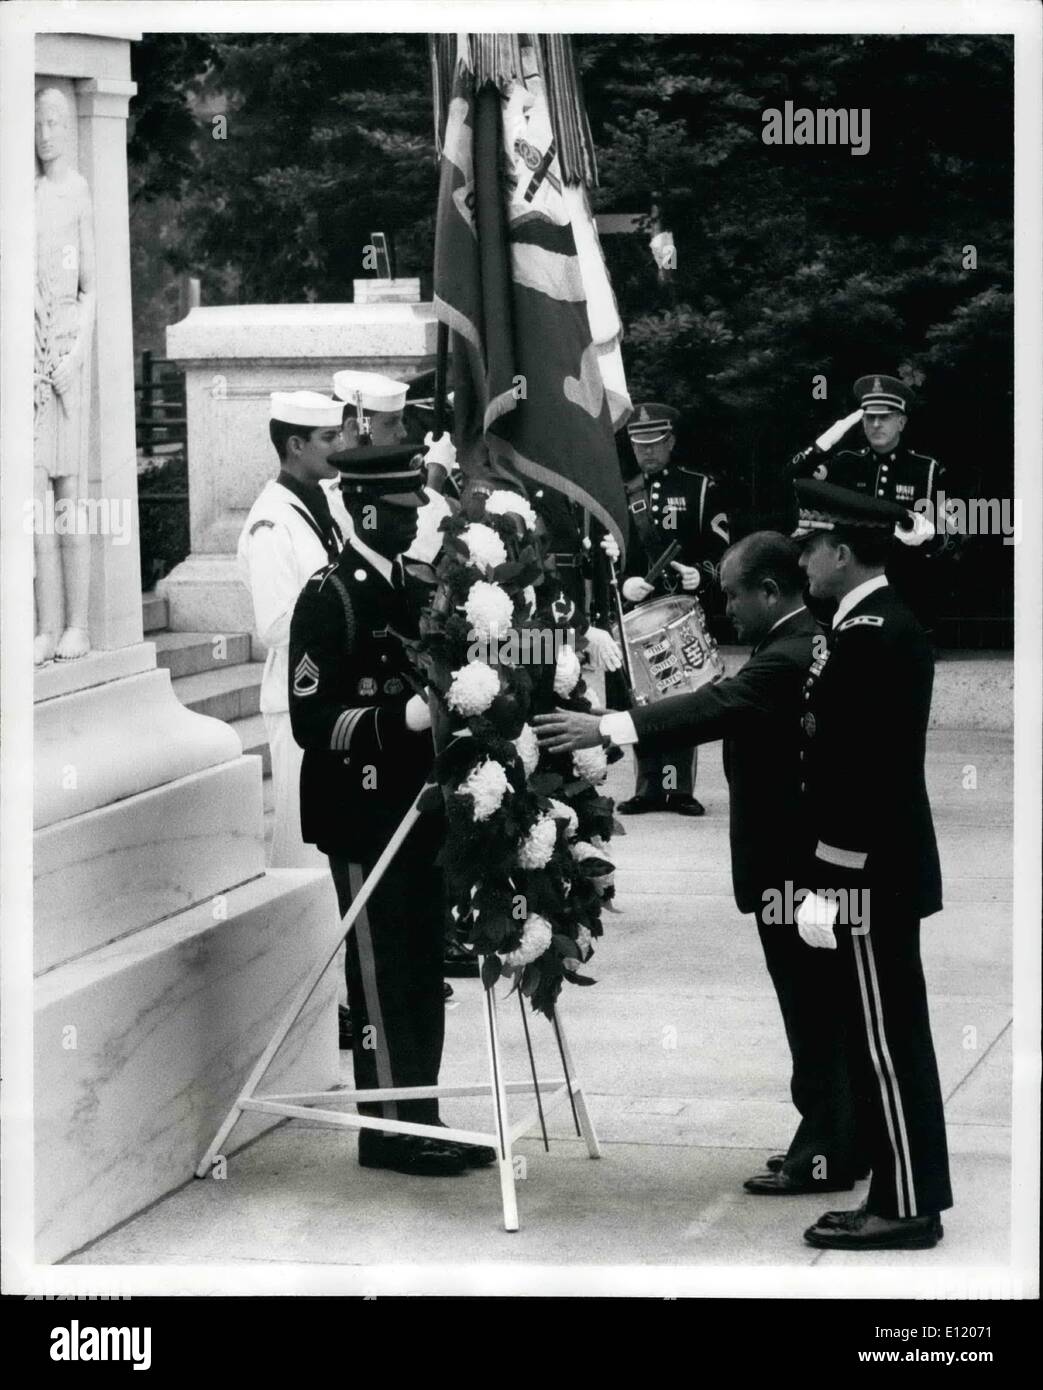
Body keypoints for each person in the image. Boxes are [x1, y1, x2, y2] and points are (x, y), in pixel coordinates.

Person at [533, 532, 864, 1196]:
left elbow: (719, 706)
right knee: (820, 1001)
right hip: (802, 862)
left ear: (769, 592)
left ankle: (825, 1147)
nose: (725, 609)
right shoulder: (805, 640)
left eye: (733, 595)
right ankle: (834, 1139)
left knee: (812, 1003)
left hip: (798, 868)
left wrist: (610, 726)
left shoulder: (788, 654)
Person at [288, 444, 492, 1178]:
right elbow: (311, 719)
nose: (414, 523)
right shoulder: (330, 596)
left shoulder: (416, 585)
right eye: (404, 511)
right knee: (377, 971)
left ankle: (421, 1111)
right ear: (367, 509)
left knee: (417, 969)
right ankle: (386, 1130)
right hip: (360, 813)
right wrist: (398, 718)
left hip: (417, 811)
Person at [791, 478, 952, 1250]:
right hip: (874, 867)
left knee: (887, 1043)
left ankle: (907, 1205)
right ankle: (899, 1190)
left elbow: (863, 773)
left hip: (867, 872)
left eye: (810, 547)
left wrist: (831, 876)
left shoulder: (874, 635)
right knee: (883, 1036)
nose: (803, 561)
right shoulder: (870, 625)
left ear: (843, 552)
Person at [237, 391, 347, 869]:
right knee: (304, 851)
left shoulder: (319, 502)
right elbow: (276, 624)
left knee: (335, 844)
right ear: (296, 445)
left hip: (331, 696)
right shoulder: (271, 523)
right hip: (297, 698)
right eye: (329, 437)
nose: (340, 444)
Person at [617, 401, 730, 816]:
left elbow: (720, 547)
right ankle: (648, 786)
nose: (646, 452)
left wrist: (702, 575)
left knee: (683, 692)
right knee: (643, 698)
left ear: (671, 441)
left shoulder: (700, 488)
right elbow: (611, 552)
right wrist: (623, 581)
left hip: (681, 610)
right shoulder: (620, 489)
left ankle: (678, 787)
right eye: (639, 444)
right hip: (638, 610)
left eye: (655, 442)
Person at [790, 374, 959, 633]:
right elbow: (793, 477)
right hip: (847, 596)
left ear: (901, 422)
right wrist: (824, 442)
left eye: (885, 417)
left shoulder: (927, 471)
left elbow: (952, 539)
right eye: (870, 417)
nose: (876, 424)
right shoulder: (844, 464)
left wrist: (929, 534)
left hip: (906, 597)